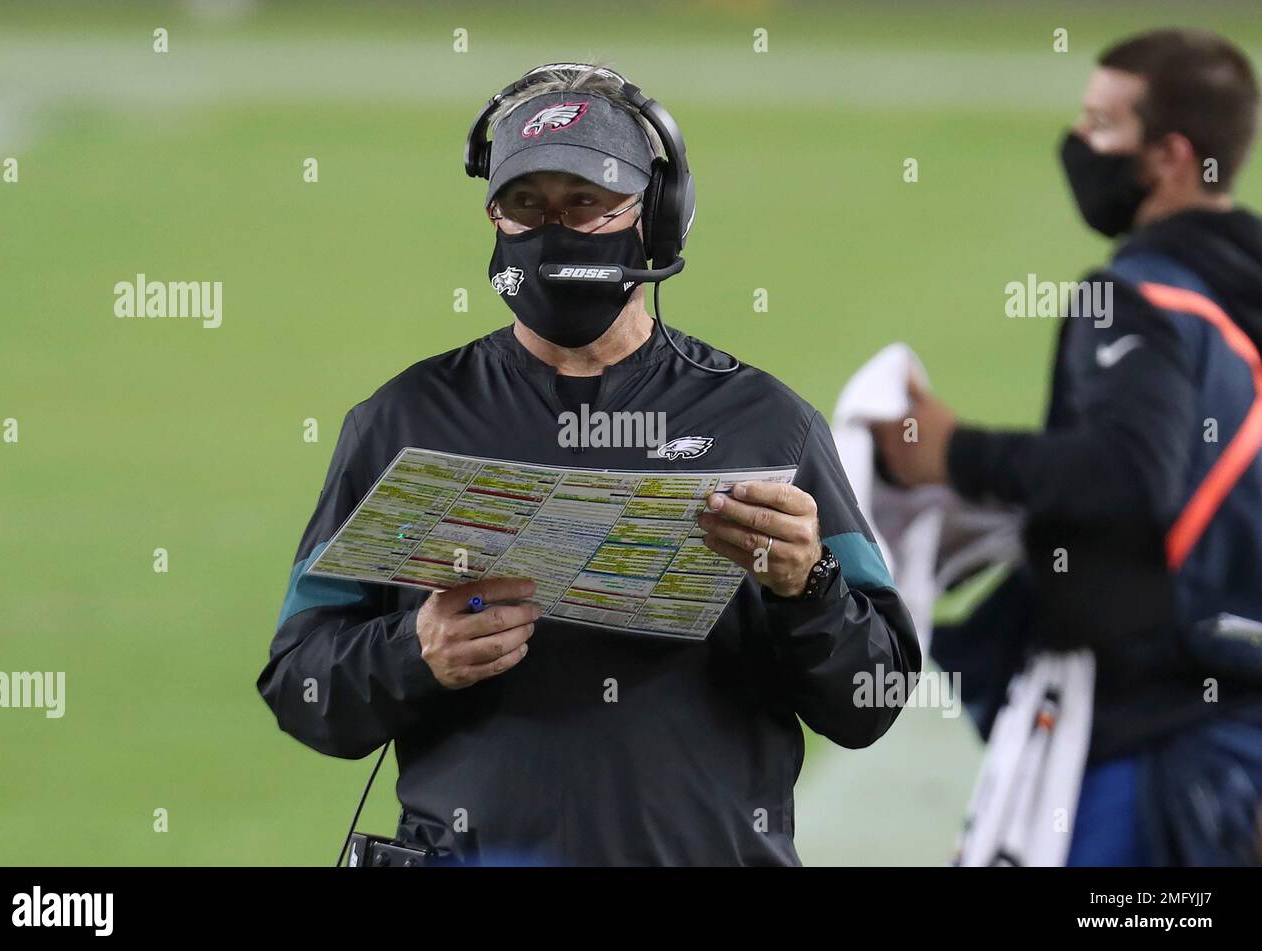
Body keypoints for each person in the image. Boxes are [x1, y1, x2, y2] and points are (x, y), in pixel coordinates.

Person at [258, 63, 920, 866]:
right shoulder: (404, 422)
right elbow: (300, 686)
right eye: (525, 204)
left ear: (657, 217)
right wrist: (414, 652)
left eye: (585, 202)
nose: (554, 230)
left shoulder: (769, 428)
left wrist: (807, 587)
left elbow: (872, 702)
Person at [876, 29, 1262, 865]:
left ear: (1170, 156)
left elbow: (1127, 473)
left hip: (1156, 734)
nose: (1078, 141)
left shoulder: (1139, 298)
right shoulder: (1242, 292)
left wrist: (954, 454)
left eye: (1101, 123)